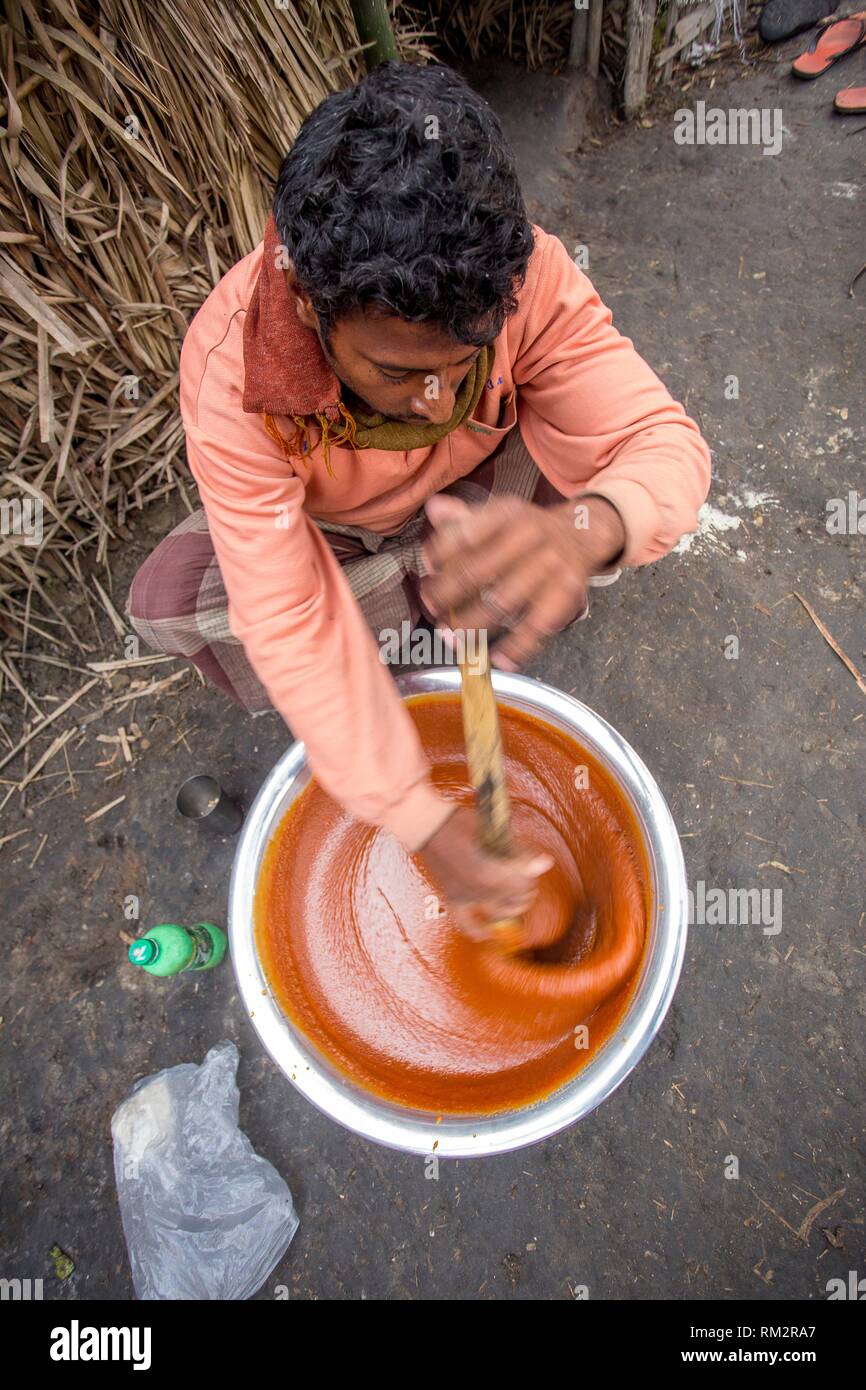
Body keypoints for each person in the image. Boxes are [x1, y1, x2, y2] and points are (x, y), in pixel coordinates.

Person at [127, 60, 711, 928]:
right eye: (397, 372)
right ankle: (415, 616)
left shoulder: (530, 276)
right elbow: (287, 613)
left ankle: (446, 602)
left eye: (461, 364)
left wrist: (587, 530)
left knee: (586, 502)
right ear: (306, 297)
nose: (438, 404)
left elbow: (664, 444)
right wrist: (421, 819)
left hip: (479, 495)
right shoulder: (232, 367)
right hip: (340, 533)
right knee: (176, 606)